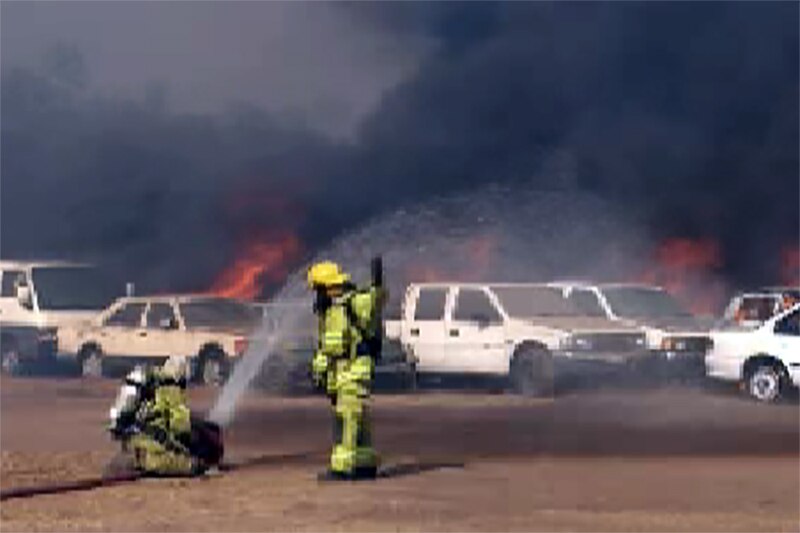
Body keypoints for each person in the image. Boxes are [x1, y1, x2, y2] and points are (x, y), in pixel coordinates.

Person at [308, 260, 384, 480]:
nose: (316, 296)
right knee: (359, 418)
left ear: (327, 287)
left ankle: (343, 467)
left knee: (349, 416)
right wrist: (318, 371)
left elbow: (375, 300)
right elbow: (327, 348)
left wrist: (377, 283)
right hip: (340, 372)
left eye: (318, 290)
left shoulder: (354, 303)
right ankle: (365, 462)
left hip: (355, 368)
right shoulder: (329, 313)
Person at [108, 356, 206, 476]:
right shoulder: (171, 388)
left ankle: (137, 456)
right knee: (181, 461)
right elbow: (179, 424)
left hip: (131, 439)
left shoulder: (150, 381)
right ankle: (145, 460)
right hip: (151, 444)